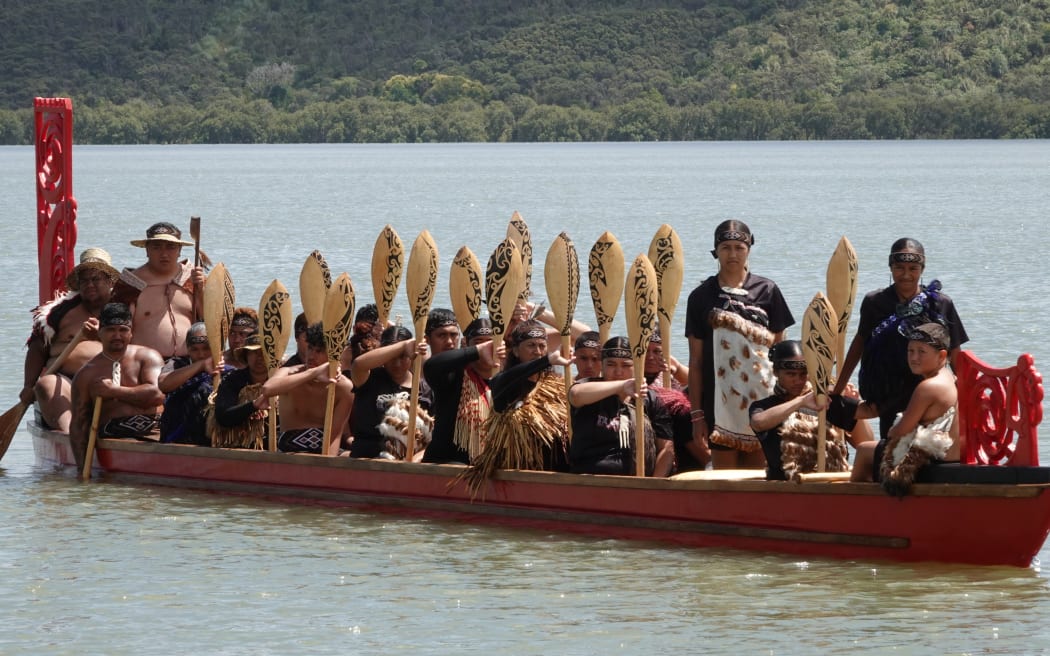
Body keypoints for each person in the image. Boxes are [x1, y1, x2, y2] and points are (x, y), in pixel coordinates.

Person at [831, 238, 968, 441]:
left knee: (930, 446)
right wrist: (838, 389)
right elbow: (859, 344)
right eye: (899, 268)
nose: (905, 275)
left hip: (929, 390)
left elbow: (955, 353)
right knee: (892, 445)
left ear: (922, 269)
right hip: (889, 392)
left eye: (913, 269)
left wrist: (965, 394)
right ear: (890, 267)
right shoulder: (874, 302)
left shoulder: (940, 303)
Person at [684, 220, 794, 470]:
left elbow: (780, 355)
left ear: (749, 249)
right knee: (725, 482)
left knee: (756, 481)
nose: (732, 254)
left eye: (739, 247)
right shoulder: (700, 297)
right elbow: (696, 361)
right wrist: (697, 416)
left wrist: (785, 404)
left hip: (762, 401)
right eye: (725, 247)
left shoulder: (768, 291)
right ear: (716, 251)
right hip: (718, 404)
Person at [849, 323, 959, 494]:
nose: (914, 357)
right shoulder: (951, 378)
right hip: (948, 454)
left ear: (942, 355)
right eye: (910, 351)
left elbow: (900, 431)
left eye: (921, 352)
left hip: (933, 459)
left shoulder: (928, 387)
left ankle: (857, 503)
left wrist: (892, 430)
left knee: (864, 450)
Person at [466, 319, 572, 485]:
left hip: (553, 473)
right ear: (515, 351)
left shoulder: (556, 385)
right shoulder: (505, 384)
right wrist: (546, 360)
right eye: (531, 345)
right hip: (514, 474)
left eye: (542, 346)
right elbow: (498, 382)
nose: (537, 351)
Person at [23, 247, 118, 431]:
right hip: (67, 383)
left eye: (96, 279)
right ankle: (69, 437)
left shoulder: (124, 309)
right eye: (84, 280)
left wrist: (101, 336)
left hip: (111, 380)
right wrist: (28, 386)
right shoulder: (58, 312)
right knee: (47, 385)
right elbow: (37, 347)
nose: (90, 284)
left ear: (109, 281)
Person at [749, 340, 871, 481]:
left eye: (803, 374)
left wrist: (852, 405)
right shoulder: (765, 406)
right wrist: (801, 401)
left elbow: (866, 442)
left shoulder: (825, 402)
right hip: (787, 485)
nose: (798, 380)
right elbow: (758, 423)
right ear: (776, 372)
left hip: (829, 484)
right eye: (791, 374)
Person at [69, 303, 165, 473]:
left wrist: (114, 391)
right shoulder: (86, 374)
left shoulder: (148, 357)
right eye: (110, 330)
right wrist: (82, 471)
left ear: (131, 332)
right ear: (100, 332)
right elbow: (79, 423)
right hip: (114, 433)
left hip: (155, 432)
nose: (117, 335)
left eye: (123, 330)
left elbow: (156, 395)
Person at [568, 336, 674, 477]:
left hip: (638, 481)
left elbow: (666, 449)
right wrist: (622, 386)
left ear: (637, 367)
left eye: (626, 365)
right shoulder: (589, 387)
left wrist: (654, 484)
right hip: (589, 478)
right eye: (611, 364)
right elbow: (575, 395)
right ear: (602, 365)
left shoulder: (651, 399)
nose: (618, 372)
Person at [111, 222, 206, 359]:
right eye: (156, 247)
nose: (164, 254)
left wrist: (201, 290)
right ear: (147, 250)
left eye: (170, 247)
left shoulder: (193, 278)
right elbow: (116, 329)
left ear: (179, 250)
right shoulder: (130, 284)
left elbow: (211, 322)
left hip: (192, 361)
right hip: (144, 363)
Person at [262, 323, 353, 454]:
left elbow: (334, 436)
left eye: (319, 351)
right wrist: (313, 373)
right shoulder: (288, 372)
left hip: (323, 452)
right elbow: (268, 389)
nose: (311, 356)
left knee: (349, 456)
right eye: (310, 348)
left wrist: (326, 463)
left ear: (333, 355)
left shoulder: (344, 387)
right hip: (289, 451)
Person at [422, 317, 502, 464]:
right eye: (478, 341)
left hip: (489, 465)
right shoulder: (452, 375)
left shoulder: (506, 377)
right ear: (466, 344)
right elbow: (430, 366)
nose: (487, 346)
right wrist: (477, 351)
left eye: (490, 342)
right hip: (446, 464)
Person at [349, 325, 433, 460]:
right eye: (392, 357)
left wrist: (413, 461)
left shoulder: (426, 389)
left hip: (408, 463)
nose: (397, 364)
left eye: (403, 357)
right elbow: (358, 364)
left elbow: (433, 439)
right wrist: (404, 346)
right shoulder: (369, 379)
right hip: (365, 460)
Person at [158, 322, 226, 445]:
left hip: (214, 439)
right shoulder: (178, 364)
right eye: (194, 349)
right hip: (177, 438)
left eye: (206, 348)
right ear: (188, 349)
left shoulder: (226, 367)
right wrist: (201, 365)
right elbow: (163, 384)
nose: (201, 354)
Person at [211, 333, 270, 449]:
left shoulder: (282, 380)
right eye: (254, 352)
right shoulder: (233, 380)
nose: (260, 357)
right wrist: (253, 405)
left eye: (264, 352)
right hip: (238, 448)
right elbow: (223, 416)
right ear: (246, 355)